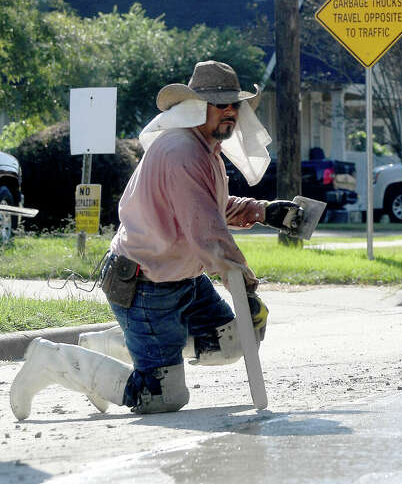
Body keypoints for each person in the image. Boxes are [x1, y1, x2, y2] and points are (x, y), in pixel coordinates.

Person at [10, 60, 297, 419]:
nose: (229, 111)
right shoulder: (182, 152)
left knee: (234, 340)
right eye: (219, 103)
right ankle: (53, 360)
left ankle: (111, 345)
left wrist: (262, 211)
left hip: (183, 280)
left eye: (233, 104)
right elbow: (206, 231)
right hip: (146, 287)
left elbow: (209, 208)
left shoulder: (204, 149)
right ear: (195, 107)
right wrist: (245, 283)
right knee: (161, 396)